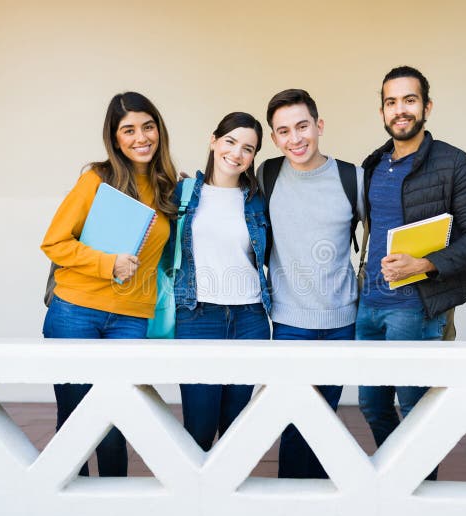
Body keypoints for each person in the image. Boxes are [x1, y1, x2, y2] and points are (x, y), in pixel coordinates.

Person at [356, 66, 466, 479]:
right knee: (372, 404)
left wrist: (427, 263)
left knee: (416, 407)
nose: (400, 110)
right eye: (391, 102)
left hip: (418, 308)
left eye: (409, 100)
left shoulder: (454, 163)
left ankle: (418, 493)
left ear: (427, 107)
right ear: (382, 111)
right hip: (370, 305)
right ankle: (398, 477)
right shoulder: (374, 164)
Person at [41, 92, 177, 476]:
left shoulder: (169, 187)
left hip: (132, 318)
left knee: (117, 422)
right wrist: (107, 263)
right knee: (75, 422)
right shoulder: (96, 180)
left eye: (148, 127)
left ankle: (112, 505)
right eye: (128, 130)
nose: (141, 137)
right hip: (76, 313)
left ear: (159, 130)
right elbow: (54, 242)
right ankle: (68, 504)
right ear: (114, 138)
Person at [258, 89, 364, 479]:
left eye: (302, 126)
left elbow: (386, 232)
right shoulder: (265, 175)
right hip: (289, 322)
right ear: (274, 138)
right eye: (283, 131)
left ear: (318, 126)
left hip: (342, 322)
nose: (295, 138)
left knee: (324, 423)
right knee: (291, 421)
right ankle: (291, 507)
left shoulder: (353, 178)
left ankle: (322, 507)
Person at [172, 112, 271, 452]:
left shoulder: (258, 199)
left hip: (250, 319)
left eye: (248, 148)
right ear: (213, 140)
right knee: (198, 428)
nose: (237, 153)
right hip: (197, 316)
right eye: (230, 141)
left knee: (236, 433)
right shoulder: (181, 193)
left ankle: (231, 503)